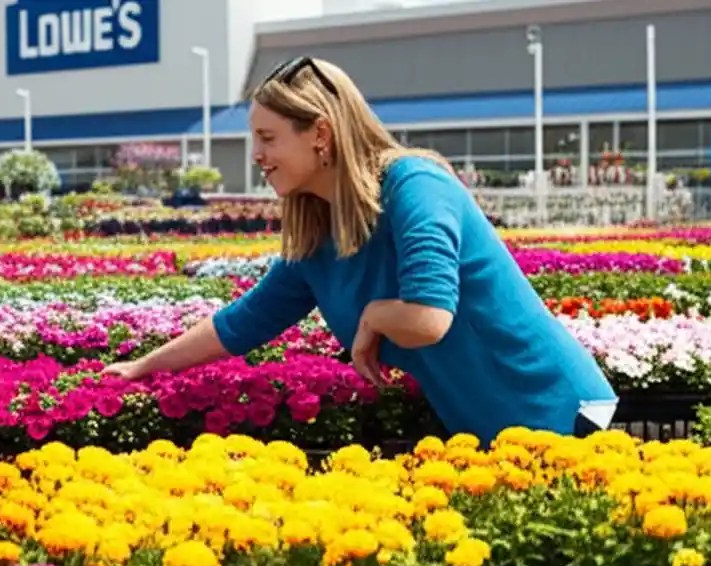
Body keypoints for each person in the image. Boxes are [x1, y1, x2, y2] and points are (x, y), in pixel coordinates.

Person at [104, 56, 617, 446]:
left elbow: (428, 318)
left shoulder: (415, 184)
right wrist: (142, 368)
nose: (257, 155)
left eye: (267, 138)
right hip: (490, 434)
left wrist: (373, 317)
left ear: (320, 134)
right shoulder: (318, 231)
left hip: (561, 414)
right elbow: (242, 323)